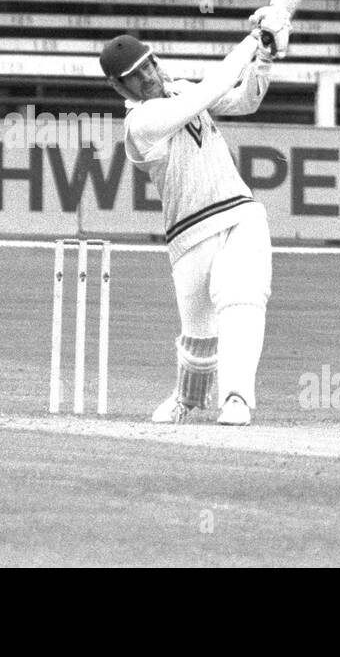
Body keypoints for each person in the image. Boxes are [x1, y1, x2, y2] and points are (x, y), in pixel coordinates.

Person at [101, 26, 276, 426]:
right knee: (199, 336)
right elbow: (210, 91)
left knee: (242, 298)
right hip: (189, 232)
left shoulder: (179, 88)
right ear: (119, 87)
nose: (147, 76)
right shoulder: (142, 123)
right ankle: (187, 398)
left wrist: (265, 58)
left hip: (239, 210)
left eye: (149, 65)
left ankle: (236, 398)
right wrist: (253, 39)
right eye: (135, 75)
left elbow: (246, 101)